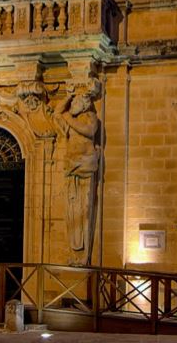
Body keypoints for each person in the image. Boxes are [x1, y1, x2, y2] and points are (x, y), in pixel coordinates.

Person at [58, 76, 102, 262]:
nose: (73, 105)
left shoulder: (90, 117)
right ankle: (75, 252)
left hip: (84, 165)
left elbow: (89, 131)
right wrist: (68, 96)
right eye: (73, 102)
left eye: (76, 101)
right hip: (72, 165)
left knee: (84, 209)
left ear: (84, 104)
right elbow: (58, 111)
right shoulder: (69, 117)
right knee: (72, 211)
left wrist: (68, 118)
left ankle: (84, 256)